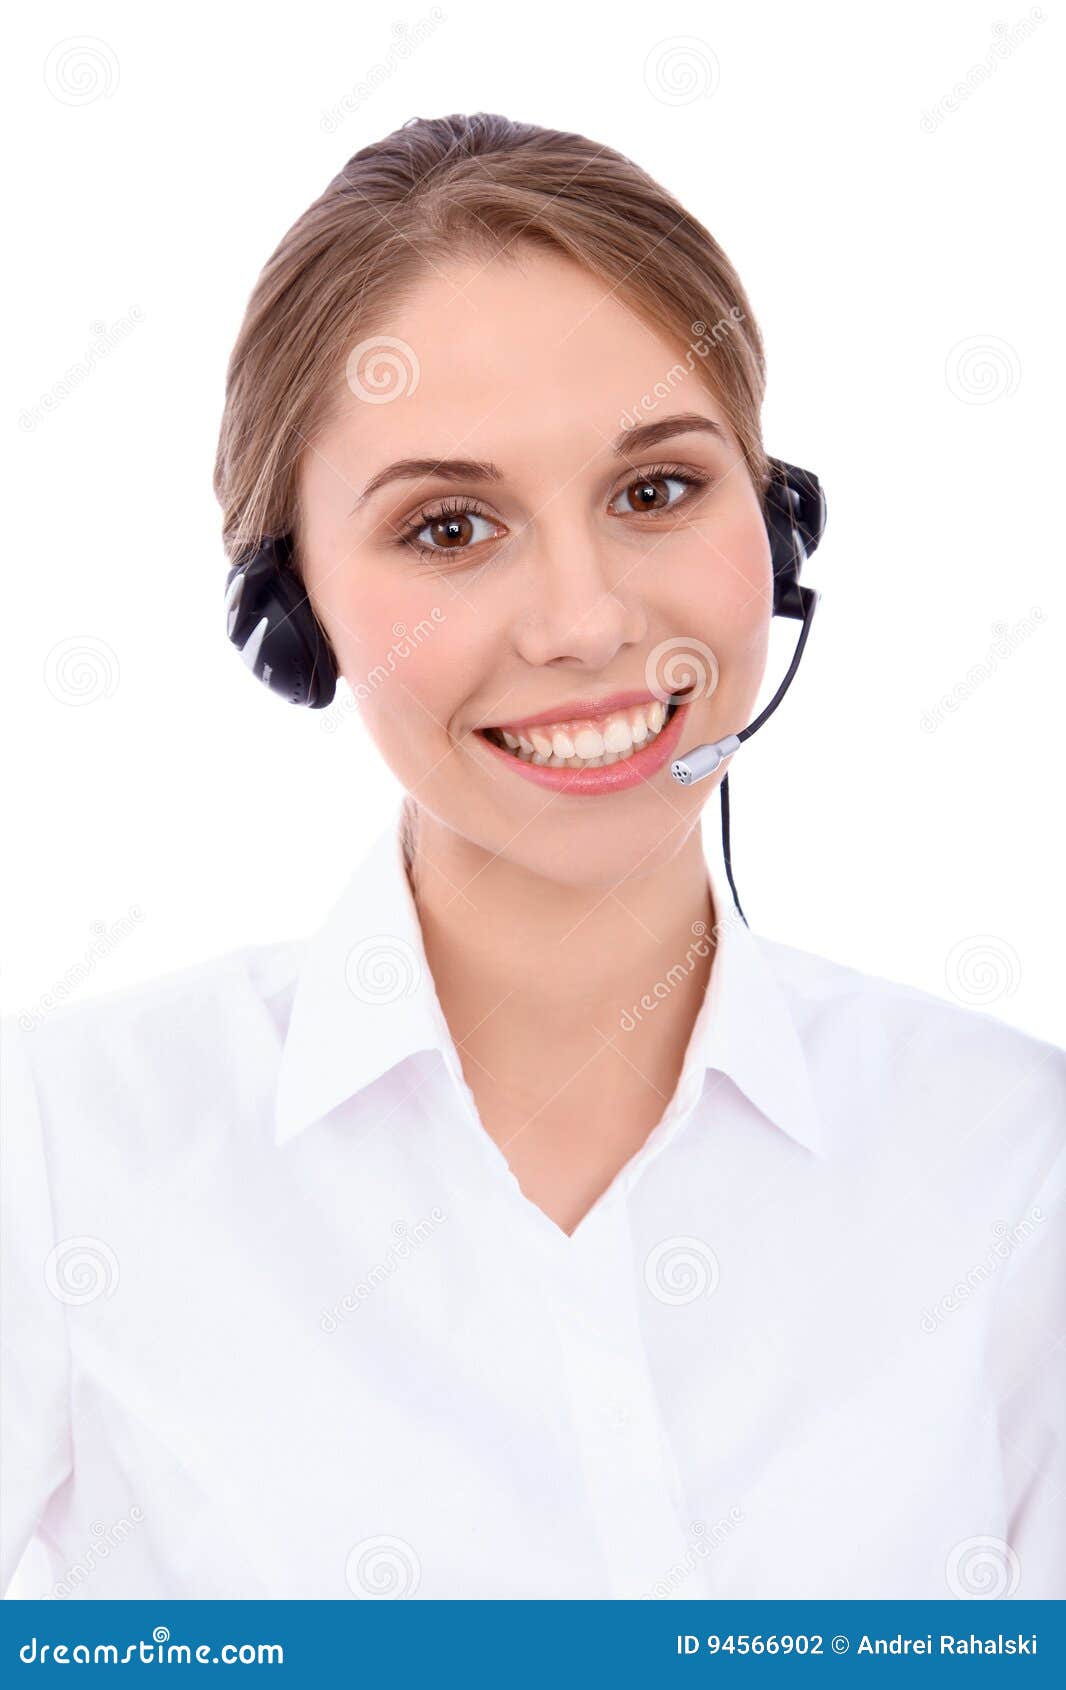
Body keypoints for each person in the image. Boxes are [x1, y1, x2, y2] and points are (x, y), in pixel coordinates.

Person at [3, 112, 1062, 1603]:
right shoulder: (57, 1152)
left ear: (777, 528)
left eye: (654, 491)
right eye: (448, 526)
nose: (581, 620)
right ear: (288, 614)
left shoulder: (1018, 1162)